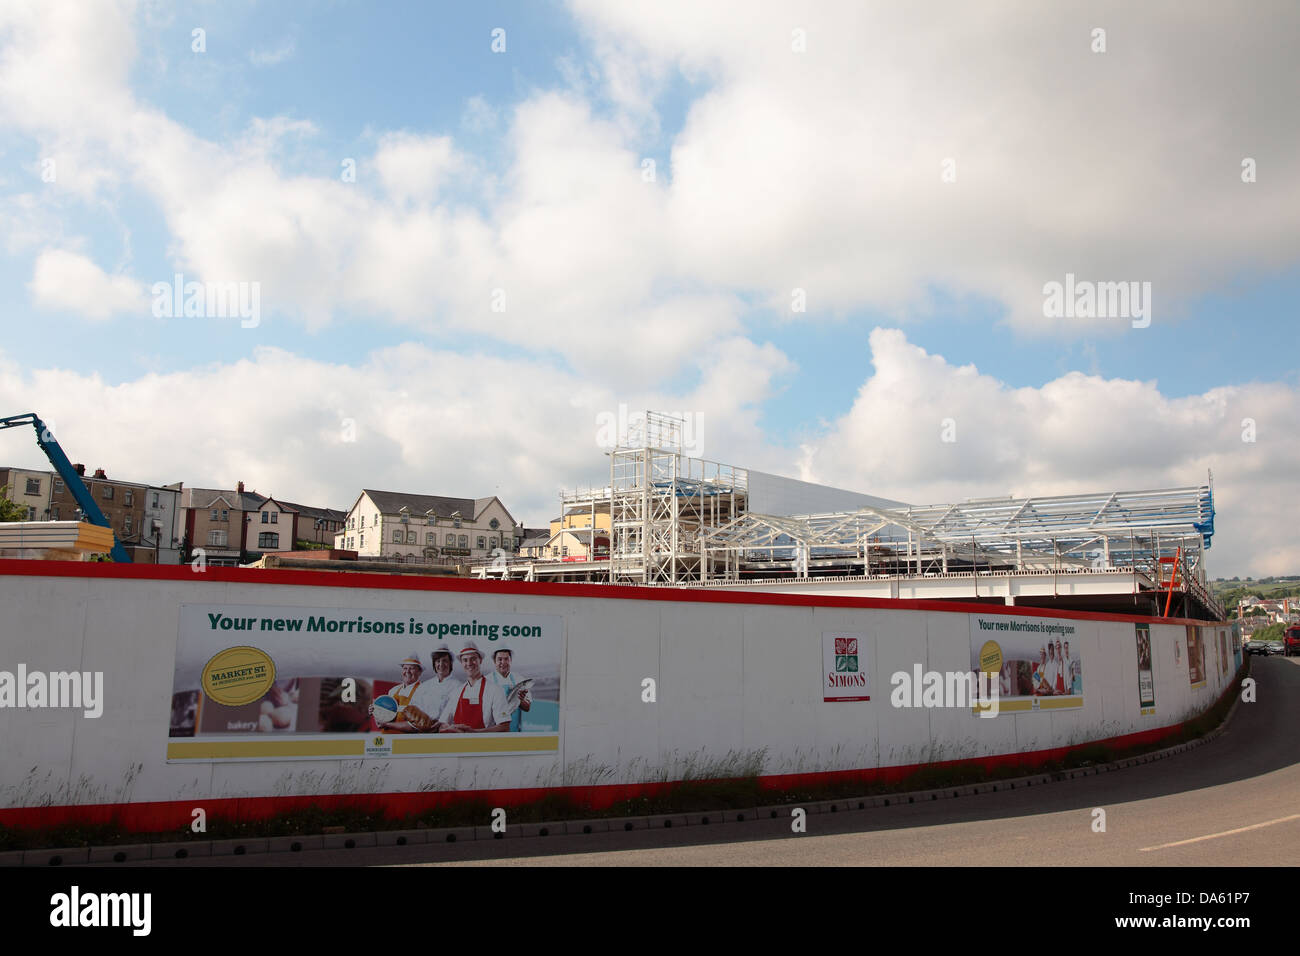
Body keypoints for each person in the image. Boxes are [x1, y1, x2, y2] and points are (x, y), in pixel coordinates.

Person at [438, 640, 511, 733]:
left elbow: (504, 727)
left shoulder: (495, 690)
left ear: (480, 660)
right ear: (461, 663)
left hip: (484, 745)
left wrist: (475, 733)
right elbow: (442, 724)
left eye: (473, 659)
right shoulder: (456, 693)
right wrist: (449, 728)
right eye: (465, 660)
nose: (469, 663)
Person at [407, 642, 462, 732]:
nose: (441, 664)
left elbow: (457, 713)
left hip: (445, 732)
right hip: (422, 731)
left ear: (450, 663)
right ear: (434, 664)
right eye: (437, 661)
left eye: (445, 660)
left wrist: (442, 723)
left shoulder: (458, 686)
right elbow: (413, 707)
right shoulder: (425, 686)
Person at [368, 654, 423, 733]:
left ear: (419, 671)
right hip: (389, 739)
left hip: (407, 741)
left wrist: (387, 725)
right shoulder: (393, 690)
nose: (407, 671)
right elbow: (383, 721)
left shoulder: (424, 692)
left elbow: (415, 726)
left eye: (412, 668)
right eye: (405, 668)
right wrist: (376, 712)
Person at [486, 647, 530, 732]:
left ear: (511, 661)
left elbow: (527, 708)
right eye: (500, 659)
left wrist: (520, 699)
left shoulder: (519, 680)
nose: (503, 662)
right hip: (493, 729)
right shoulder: (487, 680)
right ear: (494, 662)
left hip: (514, 730)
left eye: (506, 659)